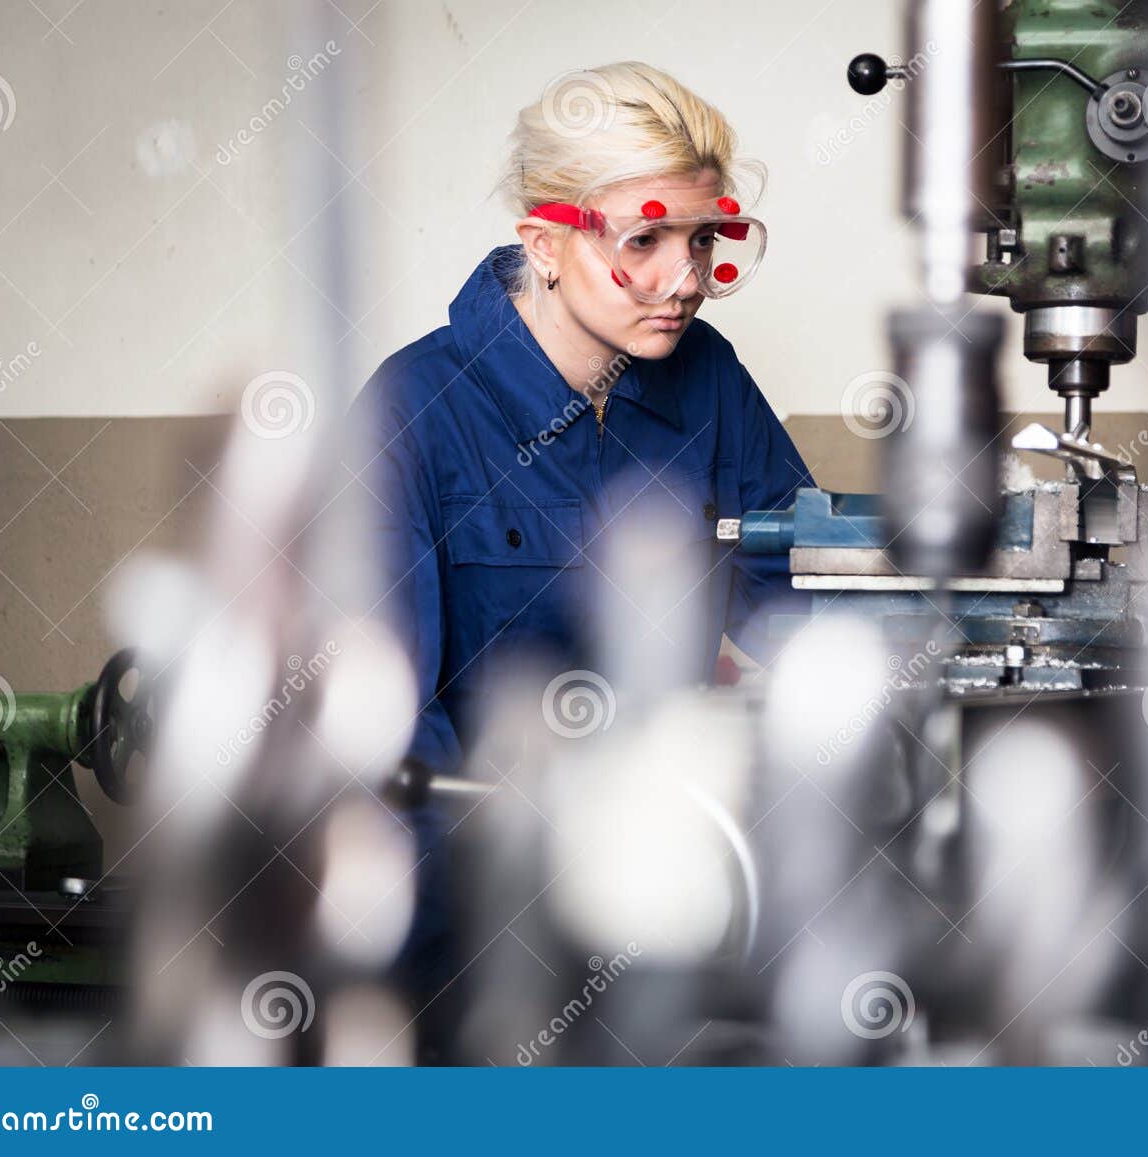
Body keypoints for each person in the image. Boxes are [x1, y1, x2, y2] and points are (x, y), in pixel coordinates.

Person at [348, 61, 815, 1044]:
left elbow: (801, 586)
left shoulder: (706, 382)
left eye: (702, 240)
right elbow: (389, 735)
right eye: (643, 241)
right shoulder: (414, 413)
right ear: (546, 243)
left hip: (675, 893)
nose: (684, 281)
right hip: (472, 925)